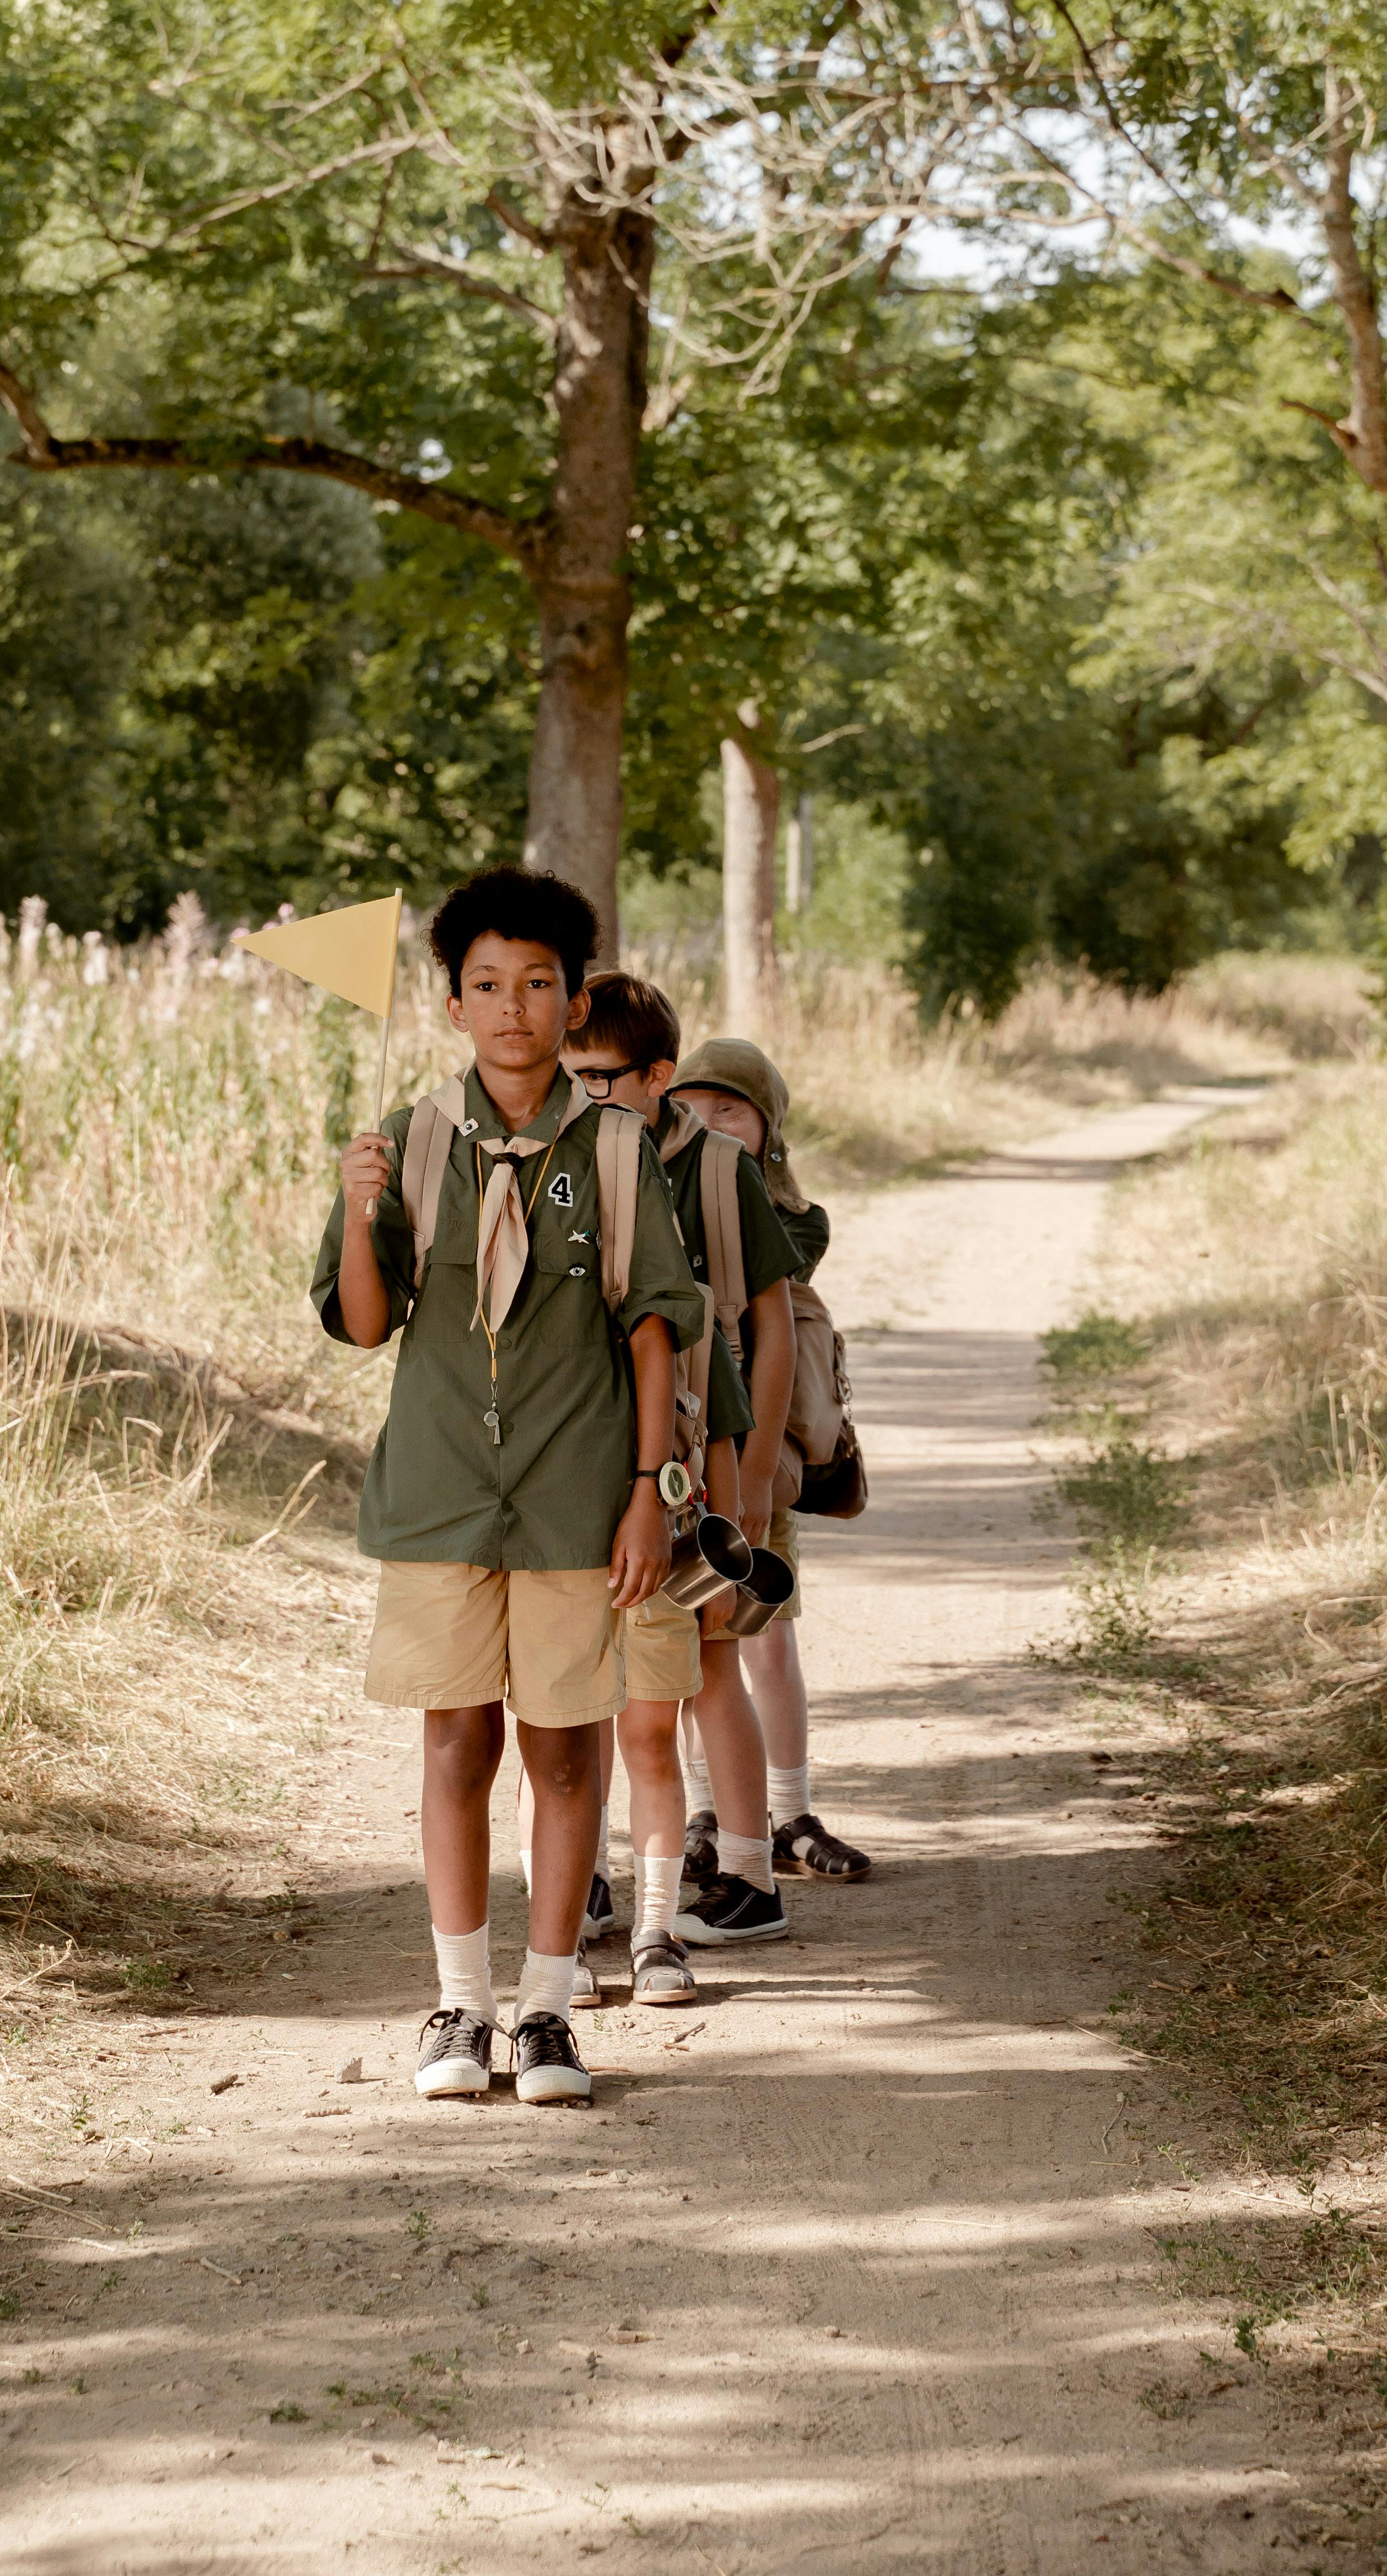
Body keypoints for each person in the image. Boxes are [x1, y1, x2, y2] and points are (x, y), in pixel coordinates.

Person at [312, 869, 706, 2105]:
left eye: (538, 985)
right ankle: (456, 2006)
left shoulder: (616, 1149)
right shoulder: (415, 1135)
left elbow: (651, 1328)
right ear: (450, 1005)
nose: (512, 1008)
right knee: (452, 1739)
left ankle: (545, 2013)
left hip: (573, 1488)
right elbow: (366, 1324)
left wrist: (647, 1489)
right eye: (486, 985)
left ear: (572, 998)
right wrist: (355, 1208)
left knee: (566, 1751)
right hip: (438, 1487)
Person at [571, 972, 805, 1950]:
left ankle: (749, 1875)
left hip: (703, 1463)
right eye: (566, 1073)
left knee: (712, 1662)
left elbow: (773, 1323)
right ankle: (578, 1877)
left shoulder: (713, 1168)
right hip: (589, 1458)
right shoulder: (556, 1156)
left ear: (655, 1077)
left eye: (599, 1077)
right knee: (572, 1671)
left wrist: (750, 1484)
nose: (578, 1092)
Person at [669, 1035, 874, 1886]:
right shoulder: (653, 1193)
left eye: (732, 1112)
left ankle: (790, 1811)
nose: (710, 1124)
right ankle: (705, 1812)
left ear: (769, 1130)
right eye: (692, 1108)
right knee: (685, 1644)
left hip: (754, 1452)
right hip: (674, 1453)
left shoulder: (793, 1219)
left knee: (767, 1640)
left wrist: (754, 1473)